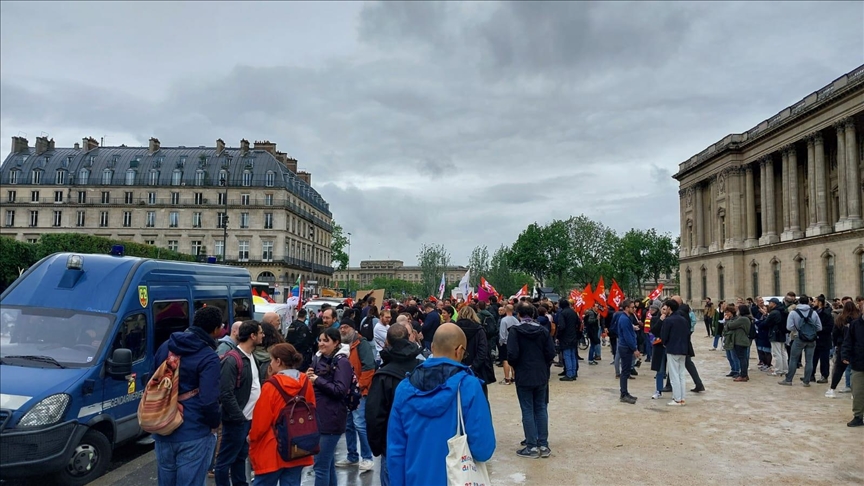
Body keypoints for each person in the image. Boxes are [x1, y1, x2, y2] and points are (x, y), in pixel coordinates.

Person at [387, 323, 496, 486]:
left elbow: (395, 450)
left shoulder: (404, 388)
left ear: (432, 346)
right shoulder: (469, 386)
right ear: (459, 351)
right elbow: (483, 449)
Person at [153, 306, 223, 486]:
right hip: (194, 429)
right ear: (215, 330)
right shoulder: (208, 357)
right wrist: (214, 423)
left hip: (162, 425)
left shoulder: (166, 346)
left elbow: (151, 379)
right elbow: (209, 400)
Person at [248, 343, 316, 486]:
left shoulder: (271, 386)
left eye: (271, 360)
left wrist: (251, 437)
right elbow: (312, 408)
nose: (270, 363)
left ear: (278, 361)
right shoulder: (305, 382)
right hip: (298, 445)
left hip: (272, 446)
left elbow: (261, 422)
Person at [365, 325, 422, 486]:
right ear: (409, 338)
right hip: (419, 440)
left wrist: (376, 446)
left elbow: (374, 414)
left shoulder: (383, 376)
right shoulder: (422, 369)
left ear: (387, 342)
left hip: (391, 444)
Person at [216, 320, 263, 486]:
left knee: (240, 457)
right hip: (238, 420)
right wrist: (240, 417)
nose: (263, 335)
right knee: (225, 460)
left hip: (248, 420)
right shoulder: (232, 359)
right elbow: (226, 393)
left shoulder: (252, 357)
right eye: (260, 332)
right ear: (252, 335)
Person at [508, 303, 556, 457]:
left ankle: (531, 446)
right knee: (541, 408)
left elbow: (512, 355)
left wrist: (517, 366)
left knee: (527, 409)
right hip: (541, 373)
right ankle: (543, 445)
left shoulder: (515, 331)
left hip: (523, 373)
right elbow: (551, 352)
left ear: (518, 315)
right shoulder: (542, 330)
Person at [308, 328, 354, 486]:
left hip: (331, 420)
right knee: (327, 466)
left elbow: (340, 390)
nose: (321, 343)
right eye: (320, 340)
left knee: (320, 467)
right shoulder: (318, 358)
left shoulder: (342, 362)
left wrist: (317, 380)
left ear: (336, 343)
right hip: (320, 417)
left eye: (325, 340)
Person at [335, 318, 376, 472]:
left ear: (353, 329)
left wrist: (360, 386)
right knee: (349, 425)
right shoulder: (346, 345)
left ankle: (367, 457)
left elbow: (369, 366)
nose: (343, 330)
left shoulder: (361, 344)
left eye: (345, 327)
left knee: (359, 423)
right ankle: (352, 456)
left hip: (359, 392)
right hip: (348, 391)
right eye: (341, 327)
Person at [779, 296, 821, 387]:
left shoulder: (793, 313)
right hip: (811, 339)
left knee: (793, 359)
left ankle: (789, 380)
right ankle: (806, 381)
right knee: (809, 361)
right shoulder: (813, 312)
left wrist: (797, 331)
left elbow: (789, 327)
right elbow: (819, 327)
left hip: (799, 338)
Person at [455, 306, 495, 397]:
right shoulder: (479, 330)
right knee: (481, 399)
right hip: (478, 370)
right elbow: (483, 350)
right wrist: (474, 366)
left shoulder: (454, 329)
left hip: (458, 368)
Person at [660, 299, 690, 405]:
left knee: (674, 375)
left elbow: (664, 336)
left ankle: (677, 398)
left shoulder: (668, 320)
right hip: (683, 349)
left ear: (669, 308)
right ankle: (682, 398)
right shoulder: (683, 319)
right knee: (681, 374)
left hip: (672, 348)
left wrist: (665, 343)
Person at [827, 301, 860, 398]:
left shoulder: (840, 319)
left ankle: (832, 389)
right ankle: (854, 392)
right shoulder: (857, 319)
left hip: (842, 346)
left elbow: (834, 333)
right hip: (856, 347)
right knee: (855, 370)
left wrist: (837, 343)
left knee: (839, 369)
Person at [841, 304, 864, 427]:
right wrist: (845, 355)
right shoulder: (855, 325)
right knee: (858, 392)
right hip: (859, 363)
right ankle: (858, 416)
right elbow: (848, 341)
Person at [615, 299, 640, 404]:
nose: (634, 309)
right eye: (632, 307)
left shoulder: (626, 318)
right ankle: (623, 394)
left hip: (625, 347)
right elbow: (627, 336)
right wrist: (634, 349)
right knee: (625, 372)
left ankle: (625, 392)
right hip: (625, 347)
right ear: (626, 308)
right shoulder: (625, 319)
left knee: (626, 371)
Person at [811, 295, 834, 383]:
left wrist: (818, 329)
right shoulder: (813, 312)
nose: (813, 303)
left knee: (824, 360)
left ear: (820, 303)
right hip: (814, 339)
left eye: (815, 301)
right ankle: (811, 375)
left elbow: (829, 327)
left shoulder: (827, 314)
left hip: (824, 340)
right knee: (813, 358)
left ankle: (824, 376)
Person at [726, 305, 753, 382]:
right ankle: (744, 374)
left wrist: (728, 320)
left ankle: (743, 375)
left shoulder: (743, 319)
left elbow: (731, 325)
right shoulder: (745, 318)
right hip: (741, 340)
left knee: (742, 358)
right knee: (743, 358)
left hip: (741, 341)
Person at [557, 299, 581, 381]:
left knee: (567, 355)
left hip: (565, 337)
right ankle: (574, 373)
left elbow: (562, 326)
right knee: (573, 355)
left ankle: (569, 374)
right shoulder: (573, 312)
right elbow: (579, 322)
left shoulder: (562, 313)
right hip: (573, 336)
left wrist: (558, 336)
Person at [765, 298, 789, 377]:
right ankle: (785, 369)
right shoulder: (782, 311)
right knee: (783, 352)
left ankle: (778, 370)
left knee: (777, 353)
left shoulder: (774, 312)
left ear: (774, 303)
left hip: (775, 334)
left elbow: (767, 323)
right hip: (782, 333)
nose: (769, 304)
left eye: (770, 303)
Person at [498, 304, 520, 384]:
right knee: (513, 359)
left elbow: (502, 332)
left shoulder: (504, 320)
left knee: (505, 360)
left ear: (506, 310)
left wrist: (501, 341)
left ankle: (507, 378)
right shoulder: (516, 320)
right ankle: (514, 377)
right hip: (514, 342)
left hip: (505, 342)